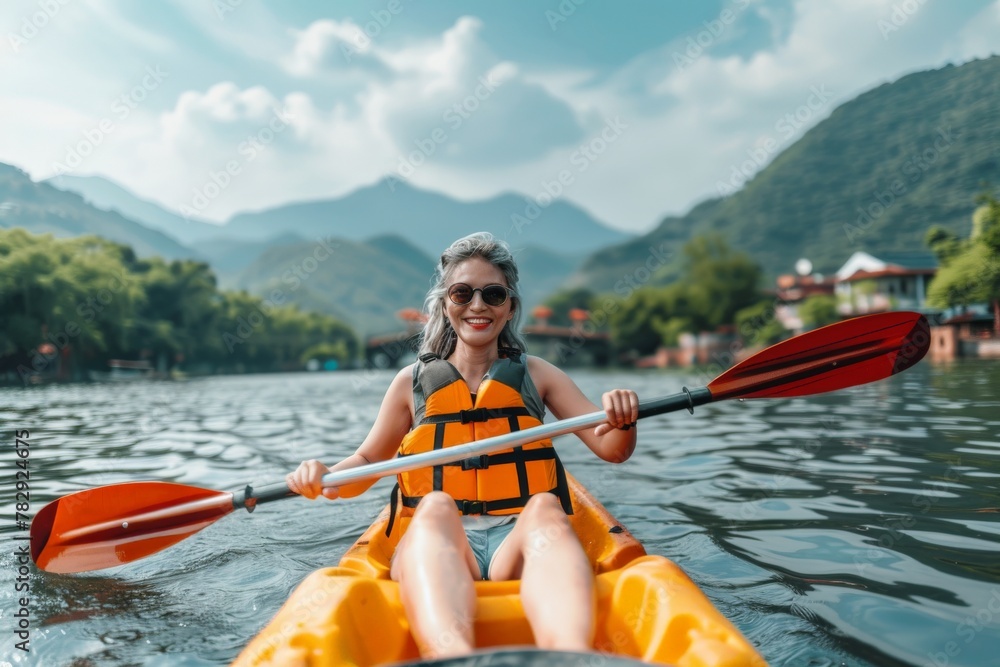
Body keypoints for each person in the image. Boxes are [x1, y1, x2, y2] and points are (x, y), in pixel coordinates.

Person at [287, 232, 638, 658]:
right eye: (462, 293)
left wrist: (621, 415)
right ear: (444, 303)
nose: (478, 306)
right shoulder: (410, 383)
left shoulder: (538, 375)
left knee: (545, 507)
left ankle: (567, 655)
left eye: (493, 294)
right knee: (435, 506)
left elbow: (612, 448)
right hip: (445, 542)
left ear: (509, 307)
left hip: (517, 543)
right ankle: (452, 656)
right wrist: (324, 477)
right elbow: (366, 461)